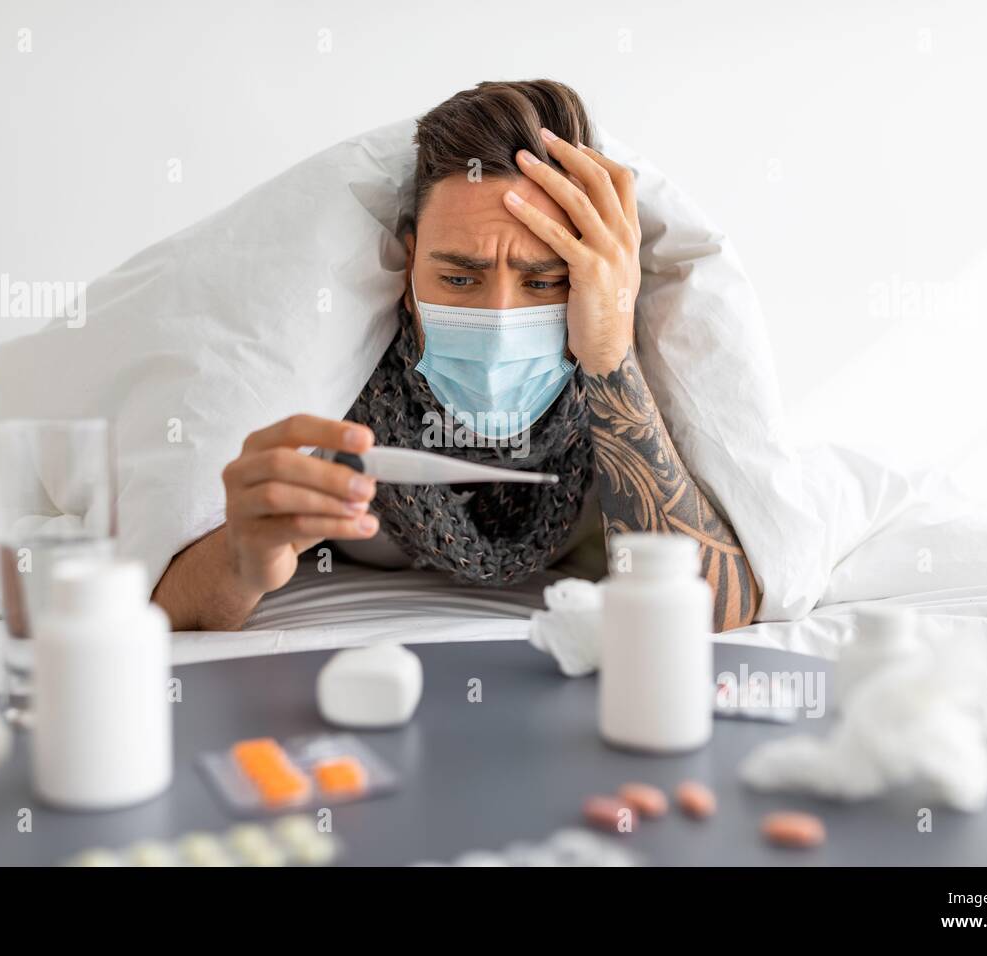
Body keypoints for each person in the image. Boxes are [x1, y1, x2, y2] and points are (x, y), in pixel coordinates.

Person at [153, 79, 759, 632]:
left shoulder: (623, 386)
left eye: (544, 282)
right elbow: (166, 606)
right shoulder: (332, 393)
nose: (498, 324)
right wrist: (244, 557)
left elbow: (711, 613)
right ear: (409, 266)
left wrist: (609, 354)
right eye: (461, 280)